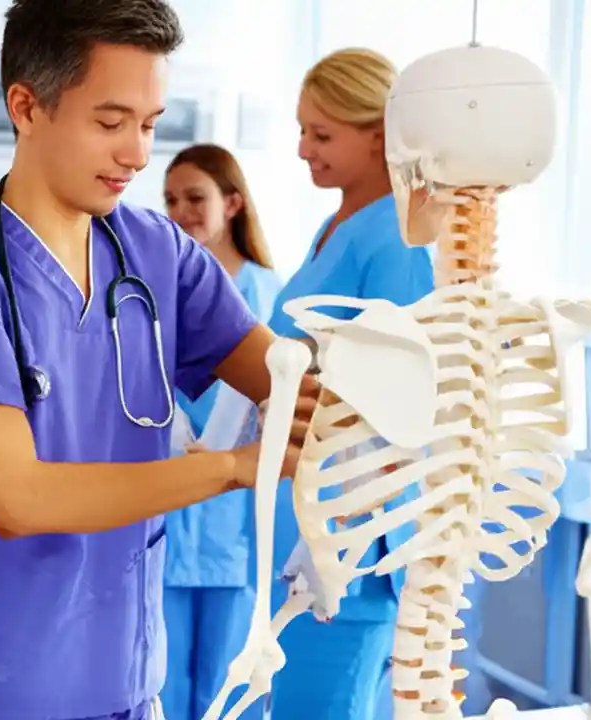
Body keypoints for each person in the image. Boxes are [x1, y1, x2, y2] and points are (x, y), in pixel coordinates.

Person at [0, 2, 318, 719]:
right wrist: (232, 468)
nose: (138, 155)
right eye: (110, 123)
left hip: (123, 687)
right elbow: (16, 498)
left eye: (150, 124)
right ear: (26, 105)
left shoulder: (159, 255)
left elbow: (290, 383)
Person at [264, 48, 434, 720]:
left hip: (348, 541)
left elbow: (400, 407)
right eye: (302, 130)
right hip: (305, 518)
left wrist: (345, 537)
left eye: (322, 133)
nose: (304, 149)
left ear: (379, 134)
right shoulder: (334, 228)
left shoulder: (397, 241)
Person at [159, 143, 283, 720]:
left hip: (237, 527)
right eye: (170, 200)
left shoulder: (270, 295)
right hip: (166, 514)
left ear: (233, 203)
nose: (180, 211)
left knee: (225, 687)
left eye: (195, 198)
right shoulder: (155, 295)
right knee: (160, 680)